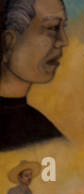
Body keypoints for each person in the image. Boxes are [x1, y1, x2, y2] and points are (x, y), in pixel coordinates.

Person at [0, 0, 67, 150]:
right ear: (8, 42)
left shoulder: (45, 133)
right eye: (52, 28)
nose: (63, 41)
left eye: (64, 27)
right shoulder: (45, 138)